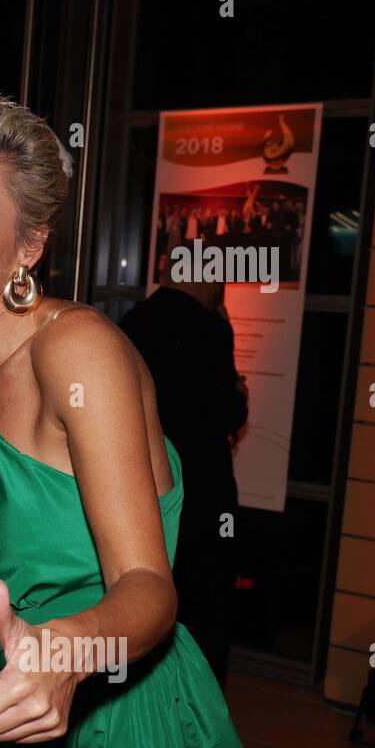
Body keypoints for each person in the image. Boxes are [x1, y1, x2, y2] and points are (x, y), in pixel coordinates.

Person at [0, 91, 265, 748]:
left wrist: (65, 652)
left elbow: (150, 587)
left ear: (29, 247)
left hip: (101, 704)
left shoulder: (75, 350)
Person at [121, 279, 247, 690]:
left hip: (145, 491)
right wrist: (239, 395)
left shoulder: (134, 321)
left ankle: (151, 720)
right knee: (205, 614)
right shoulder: (210, 330)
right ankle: (198, 727)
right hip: (202, 497)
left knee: (148, 601)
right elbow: (223, 414)